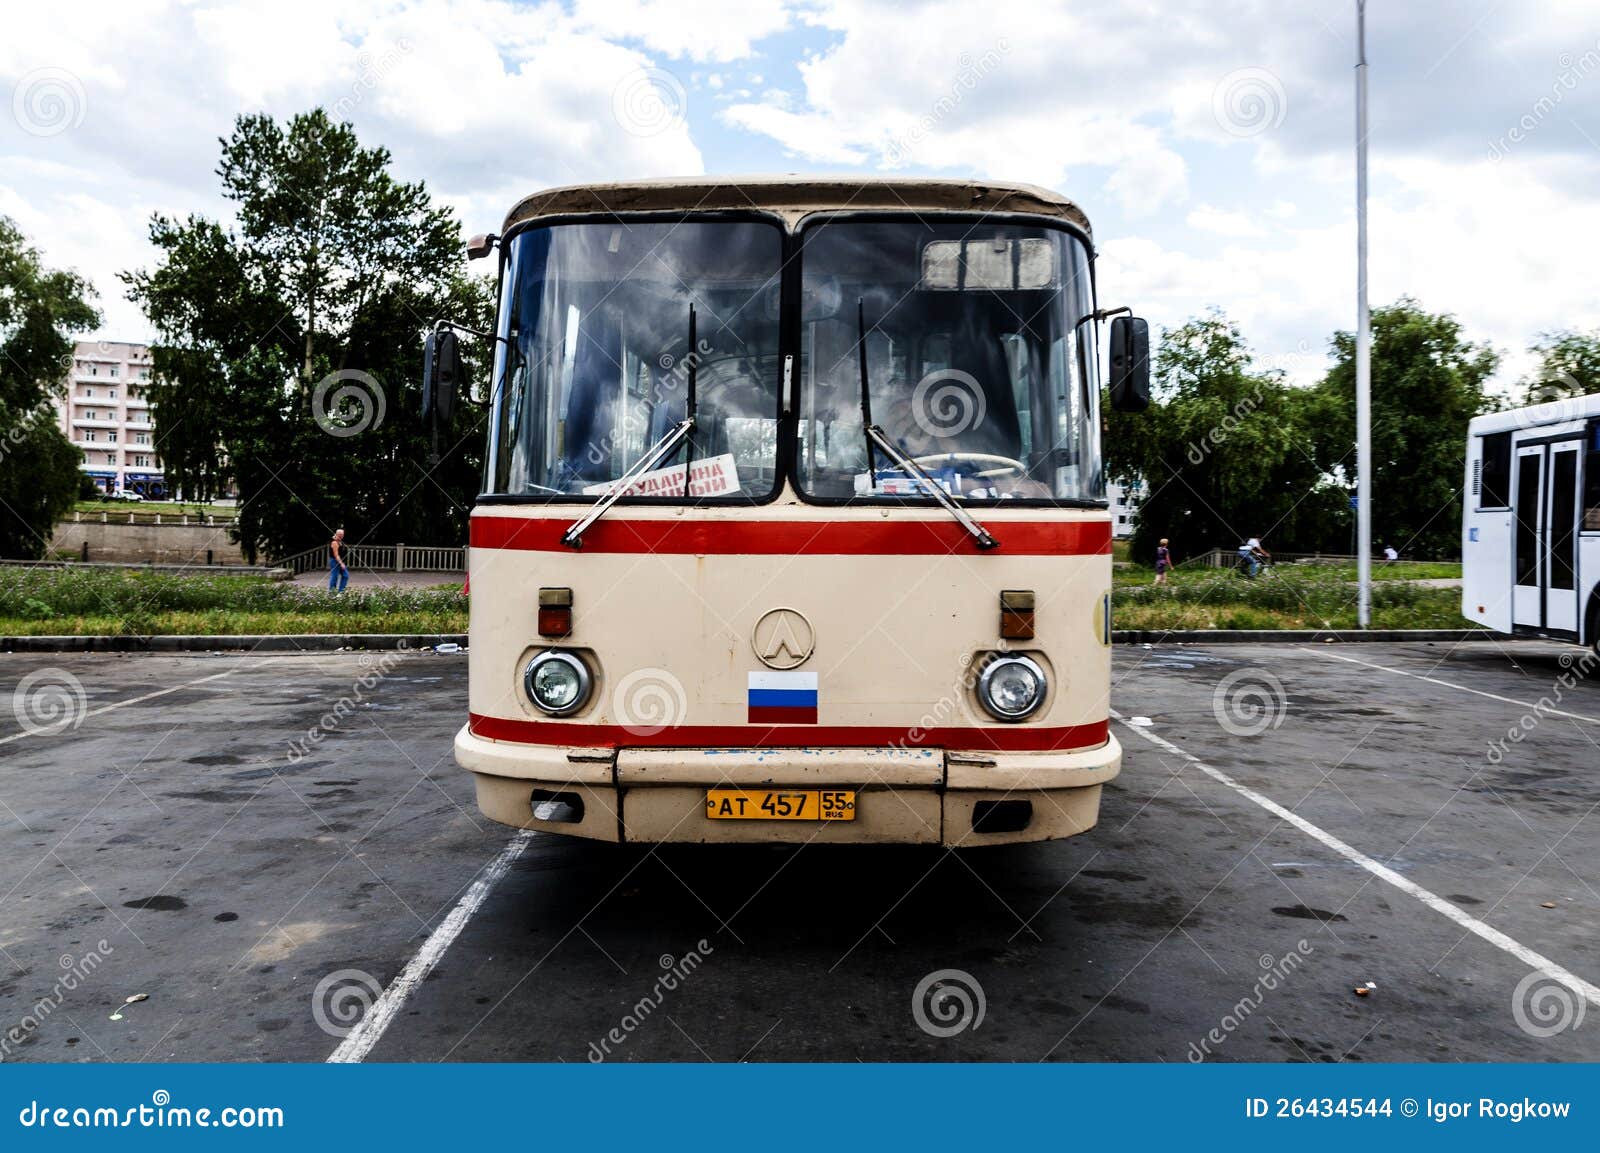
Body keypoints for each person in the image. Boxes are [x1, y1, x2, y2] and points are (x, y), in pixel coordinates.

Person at [329, 527, 350, 592]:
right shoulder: (334, 542)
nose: (341, 536)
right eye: (340, 534)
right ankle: (332, 592)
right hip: (334, 561)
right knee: (334, 576)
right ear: (336, 534)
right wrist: (341, 563)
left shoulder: (340, 541)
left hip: (340, 560)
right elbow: (336, 555)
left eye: (342, 534)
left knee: (345, 575)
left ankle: (341, 592)